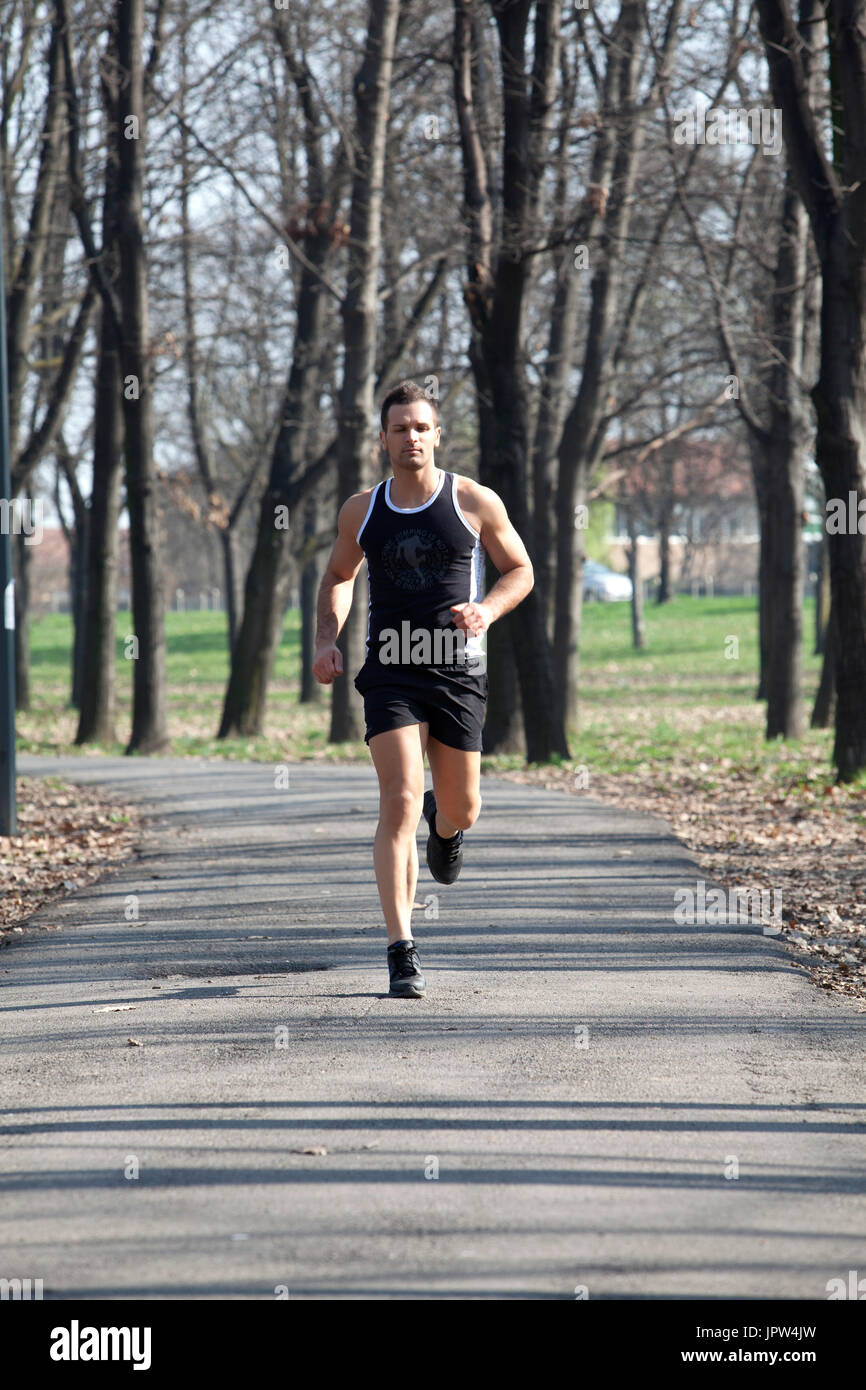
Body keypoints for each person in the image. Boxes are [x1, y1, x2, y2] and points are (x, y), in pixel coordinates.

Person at [312, 379, 533, 997]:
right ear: (382, 440)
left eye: (420, 427)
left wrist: (487, 610)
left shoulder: (473, 501)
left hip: (457, 673)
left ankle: (447, 825)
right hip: (390, 672)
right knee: (400, 798)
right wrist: (326, 640)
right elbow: (336, 574)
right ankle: (401, 947)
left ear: (436, 435)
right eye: (398, 428)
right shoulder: (364, 510)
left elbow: (522, 569)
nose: (410, 437)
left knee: (461, 808)